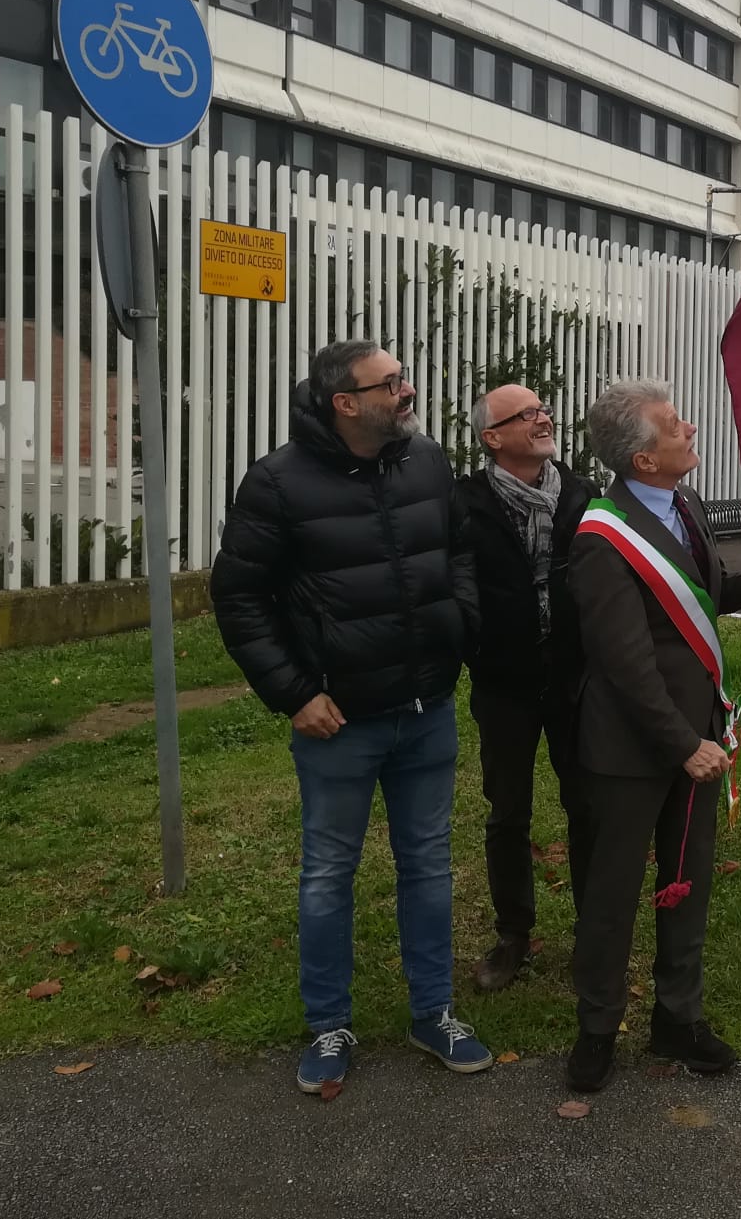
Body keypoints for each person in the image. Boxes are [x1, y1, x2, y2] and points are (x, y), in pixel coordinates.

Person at [210, 339, 491, 1095]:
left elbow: (458, 551)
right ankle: (329, 1024)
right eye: (390, 383)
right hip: (340, 723)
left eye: (402, 378)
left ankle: (433, 1012)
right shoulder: (276, 483)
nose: (406, 392)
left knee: (429, 866)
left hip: (428, 708)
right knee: (329, 873)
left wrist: (457, 629)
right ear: (345, 402)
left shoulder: (426, 462)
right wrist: (296, 693)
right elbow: (239, 599)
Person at [564, 380, 741, 1093]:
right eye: (677, 425)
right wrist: (682, 743)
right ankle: (597, 1027)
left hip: (695, 736)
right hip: (632, 748)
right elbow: (625, 664)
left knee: (686, 882)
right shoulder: (600, 536)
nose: (691, 428)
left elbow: (707, 596)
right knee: (612, 892)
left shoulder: (688, 505)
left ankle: (677, 1018)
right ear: (643, 461)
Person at [458, 384, 595, 992]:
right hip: (503, 684)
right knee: (508, 812)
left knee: (586, 806)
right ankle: (514, 934)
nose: (544, 419)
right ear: (494, 437)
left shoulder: (583, 496)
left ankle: (595, 932)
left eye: (543, 410)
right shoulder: (464, 503)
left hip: (573, 682)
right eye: (528, 415)